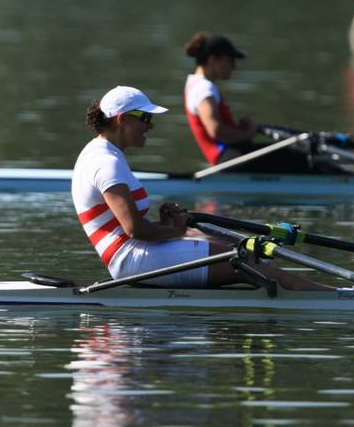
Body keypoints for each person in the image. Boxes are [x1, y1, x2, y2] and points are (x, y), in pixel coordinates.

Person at [71, 85, 333, 290]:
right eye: (145, 118)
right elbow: (135, 229)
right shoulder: (106, 163)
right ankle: (338, 295)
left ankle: (314, 290)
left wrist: (166, 225)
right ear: (122, 119)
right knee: (247, 259)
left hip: (135, 255)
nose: (151, 125)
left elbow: (132, 227)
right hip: (133, 260)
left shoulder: (101, 154)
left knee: (231, 244)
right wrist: (175, 229)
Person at [183, 31, 336, 174]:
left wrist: (240, 128)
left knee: (297, 153)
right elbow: (216, 131)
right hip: (230, 158)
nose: (234, 67)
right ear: (213, 60)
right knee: (302, 156)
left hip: (231, 156)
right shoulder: (204, 88)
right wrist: (247, 133)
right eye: (230, 61)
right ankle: (343, 183)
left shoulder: (195, 85)